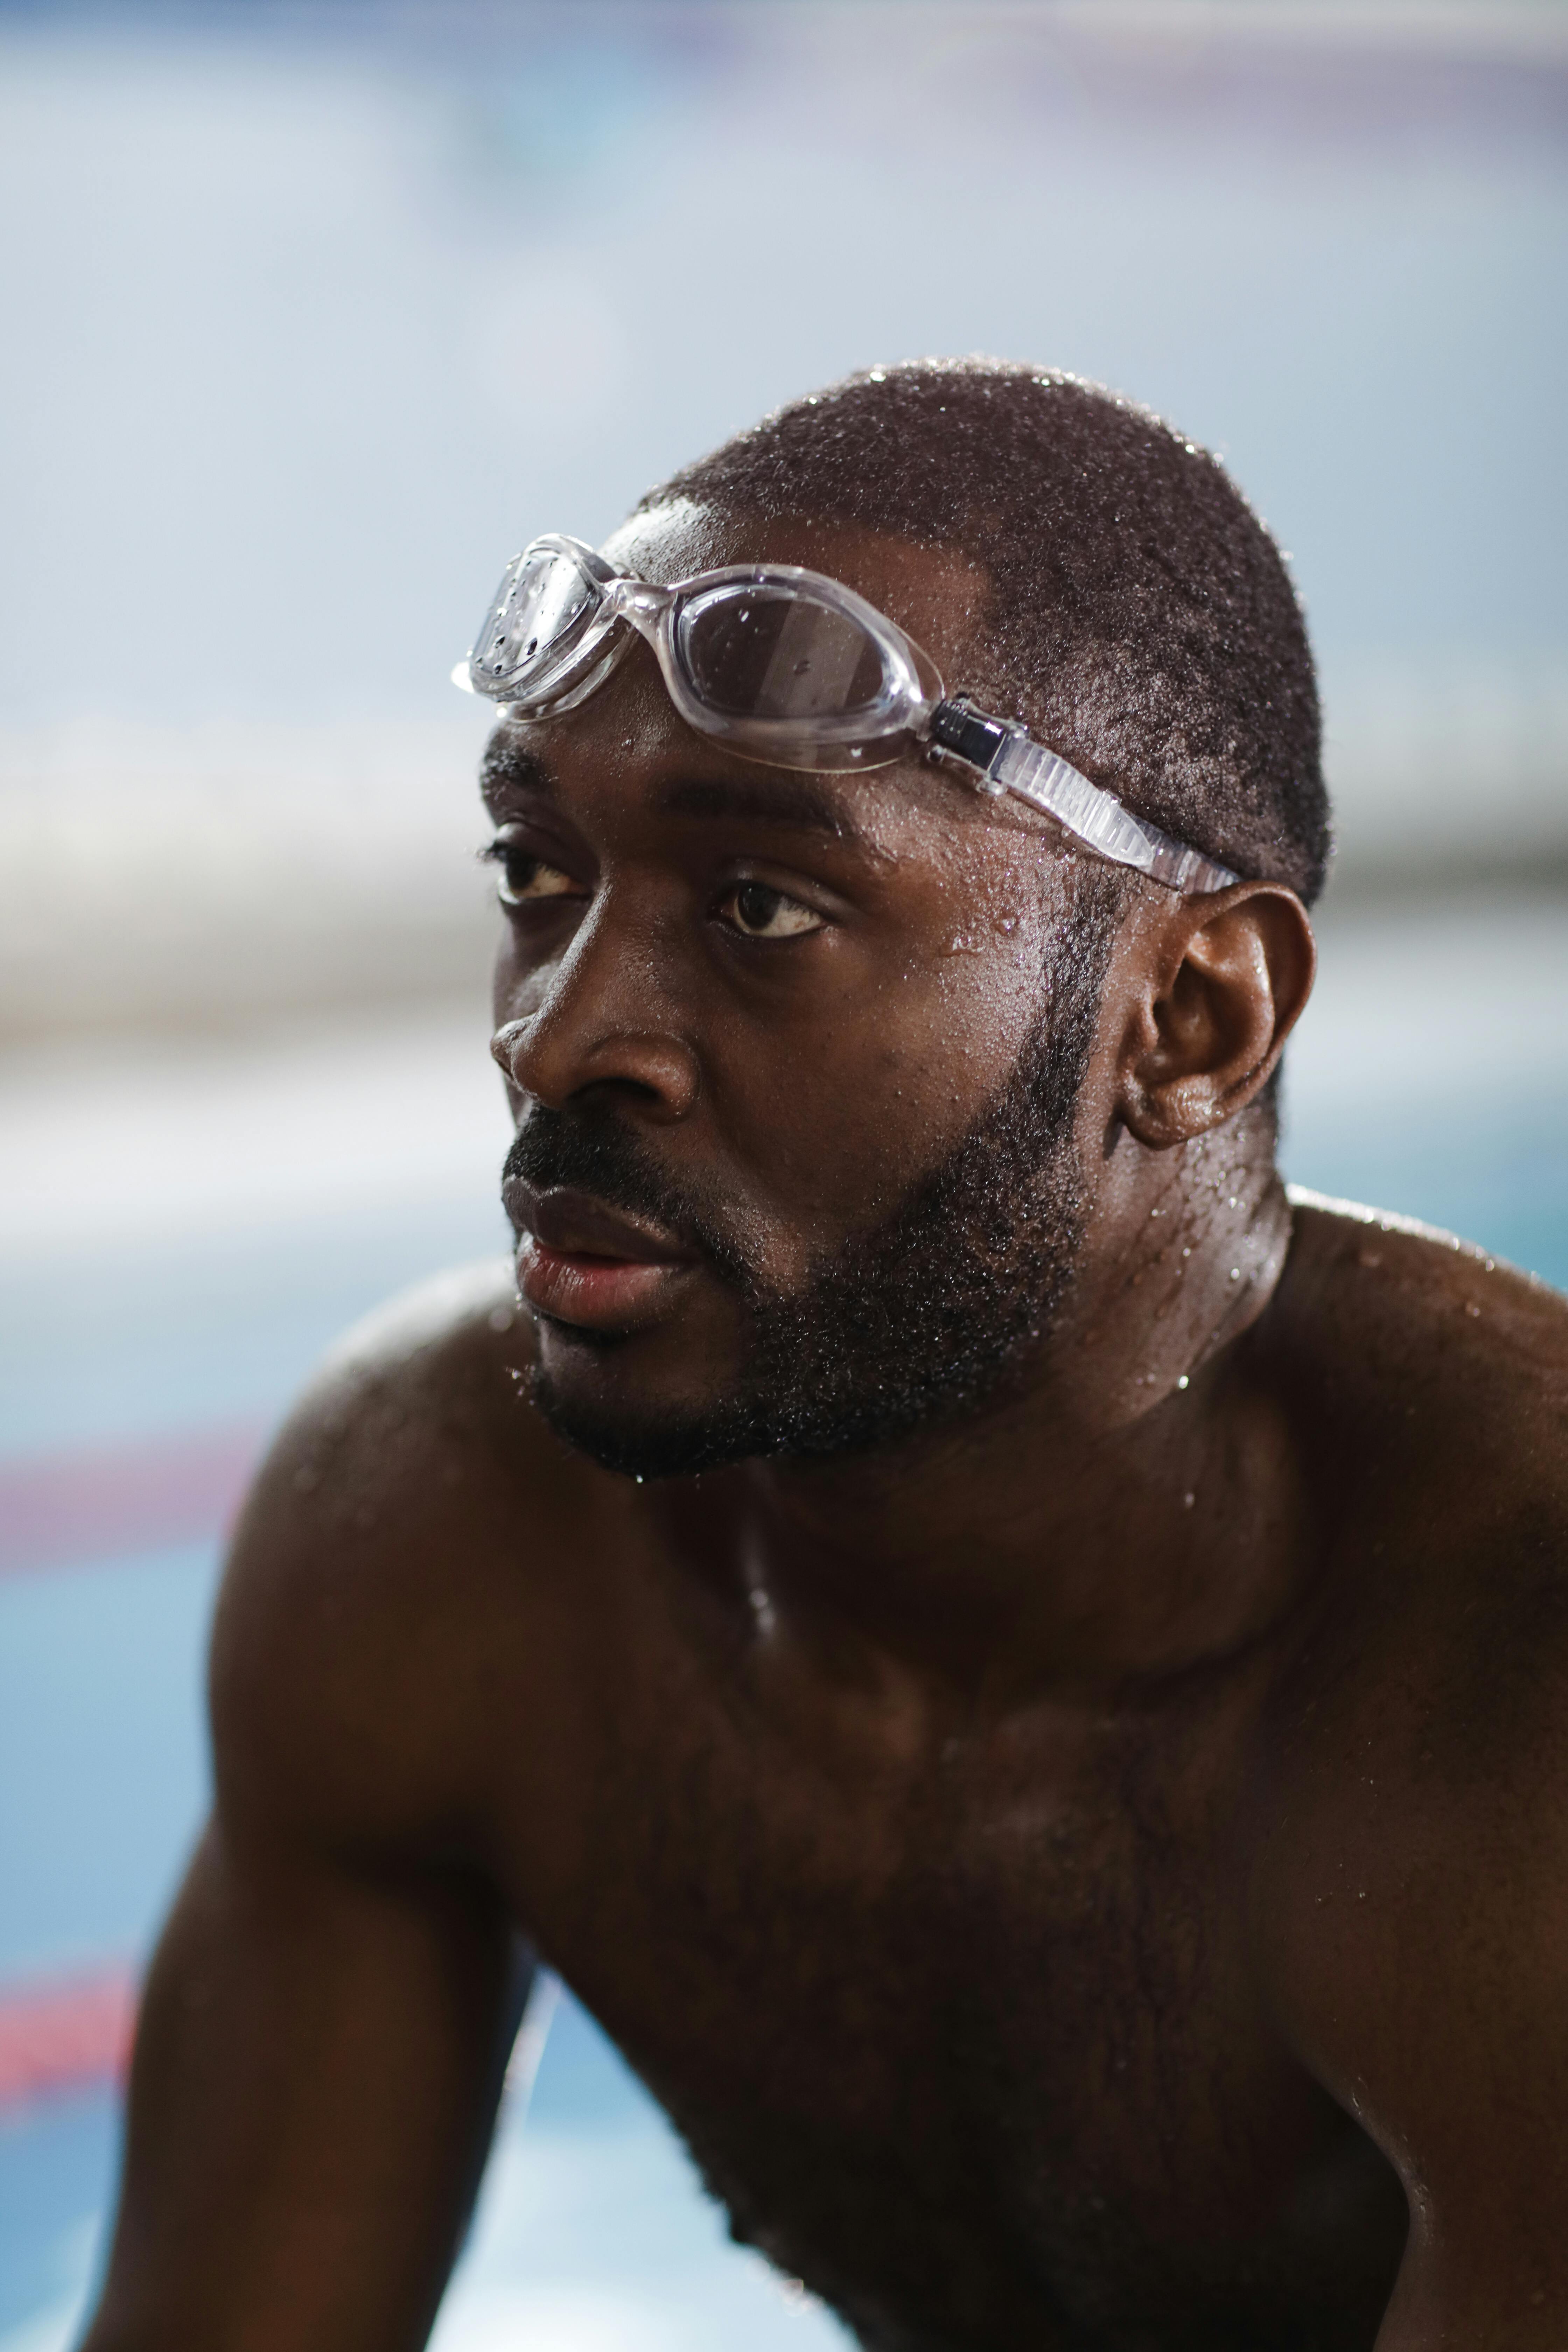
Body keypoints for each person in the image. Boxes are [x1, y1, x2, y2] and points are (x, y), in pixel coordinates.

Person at [80, 362, 1568, 2352]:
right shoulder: (447, 1554)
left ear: (1192, 1022)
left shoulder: (1507, 1714)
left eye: (766, 903)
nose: (557, 1034)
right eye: (540, 878)